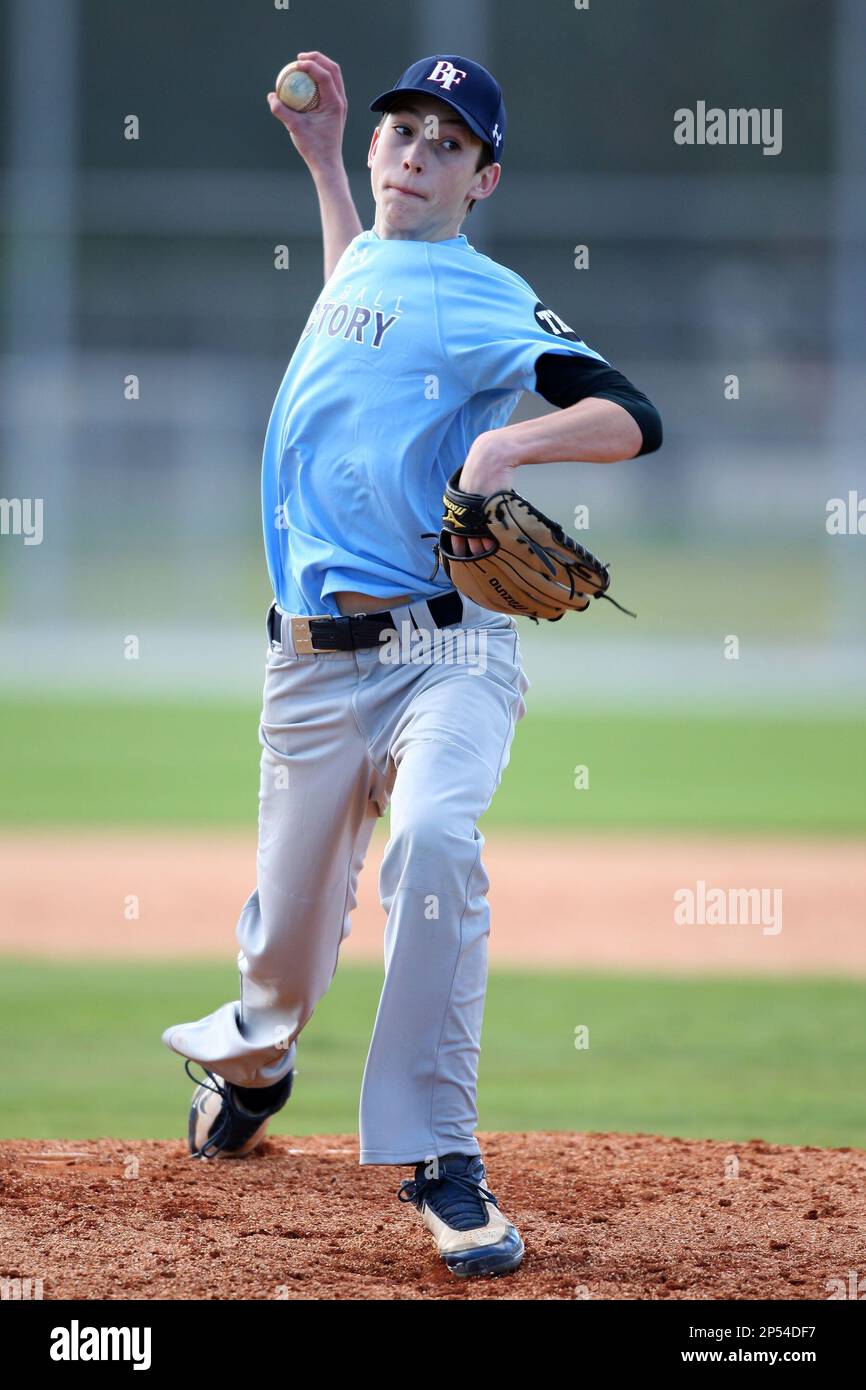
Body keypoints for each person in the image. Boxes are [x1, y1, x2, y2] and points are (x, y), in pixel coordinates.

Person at [161, 52, 662, 1280]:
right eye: (404, 131)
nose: (418, 152)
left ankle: (440, 1158)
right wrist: (321, 162)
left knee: (434, 839)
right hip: (307, 672)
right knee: (281, 957)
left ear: (481, 178)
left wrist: (503, 445)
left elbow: (630, 410)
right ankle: (257, 1060)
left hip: (445, 651)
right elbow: (363, 298)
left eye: (448, 143)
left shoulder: (480, 290)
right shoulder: (370, 264)